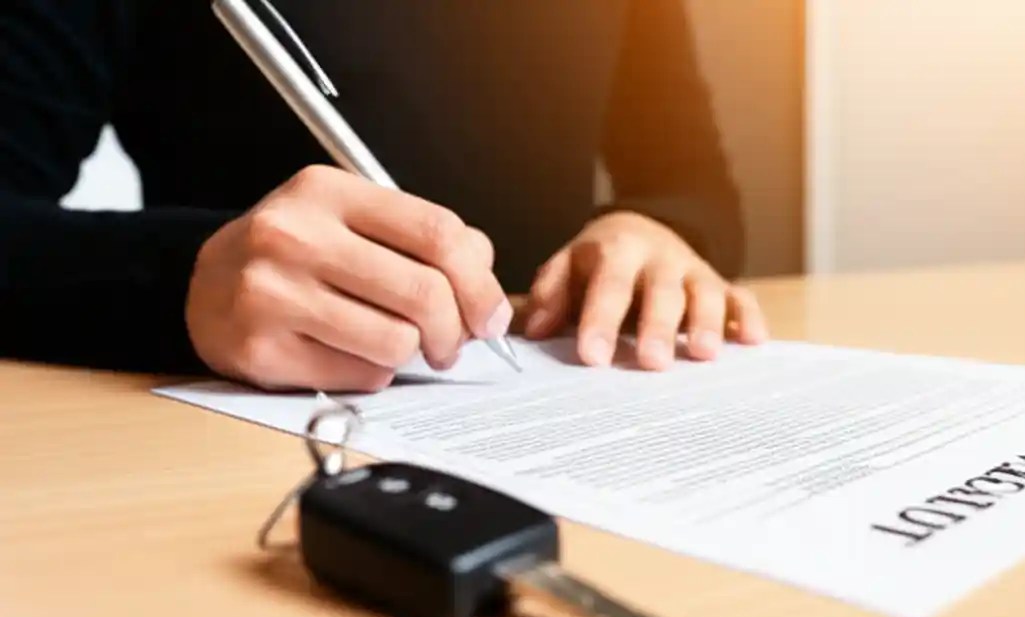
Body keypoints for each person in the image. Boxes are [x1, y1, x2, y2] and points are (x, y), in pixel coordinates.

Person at [0, 1, 768, 392]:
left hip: (570, 395)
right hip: (272, 437)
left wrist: (658, 231)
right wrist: (184, 280)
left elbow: (695, 187)